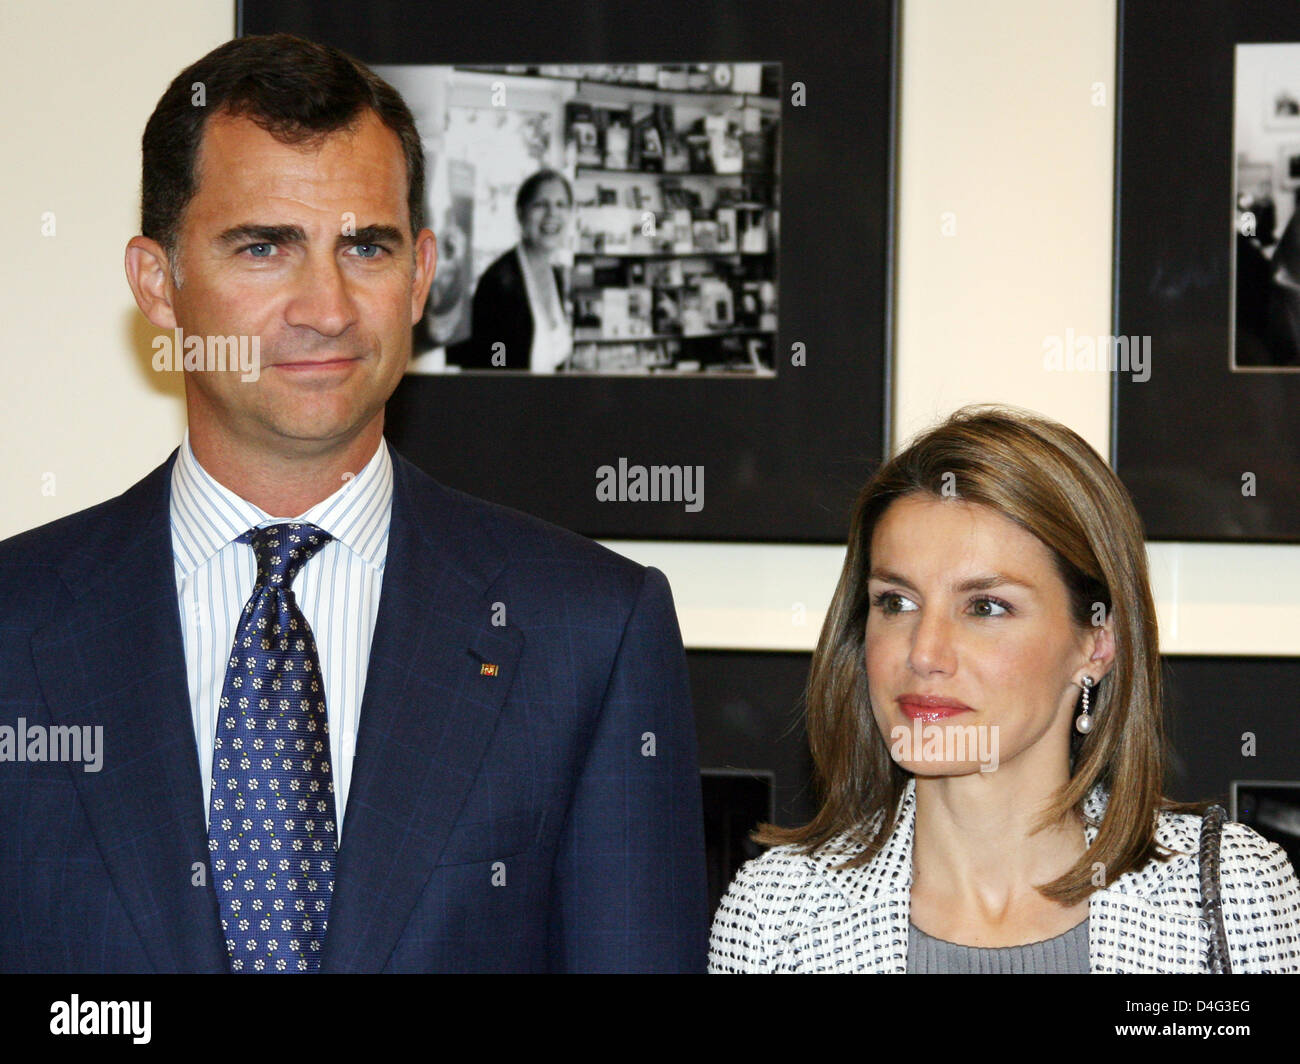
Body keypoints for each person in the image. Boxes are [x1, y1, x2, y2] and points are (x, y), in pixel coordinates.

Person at [0, 34, 707, 974]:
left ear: (419, 276)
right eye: (265, 247)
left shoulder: (588, 630)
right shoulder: (19, 624)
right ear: (158, 283)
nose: (326, 307)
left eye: (364, 247)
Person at [708, 406, 1300, 973]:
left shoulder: (1222, 896)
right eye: (897, 602)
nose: (924, 653)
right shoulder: (776, 914)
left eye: (985, 606)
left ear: (1096, 642)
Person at [462, 169, 574, 372]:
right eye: (541, 204)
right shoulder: (499, 282)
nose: (552, 214)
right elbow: (494, 361)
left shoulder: (556, 276)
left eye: (561, 205)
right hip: (511, 401)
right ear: (521, 213)